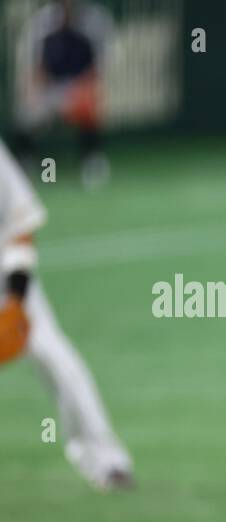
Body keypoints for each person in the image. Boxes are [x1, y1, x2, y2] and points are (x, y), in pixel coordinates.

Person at [0, 139, 133, 489]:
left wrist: (15, 302)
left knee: (59, 361)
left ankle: (107, 461)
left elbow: (21, 224)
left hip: (8, 282)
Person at [11, 0, 114, 188]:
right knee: (26, 110)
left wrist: (84, 91)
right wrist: (34, 93)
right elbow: (33, 67)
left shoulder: (95, 21)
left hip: (79, 86)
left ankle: (92, 161)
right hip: (49, 88)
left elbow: (99, 70)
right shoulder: (41, 22)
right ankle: (24, 164)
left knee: (89, 104)